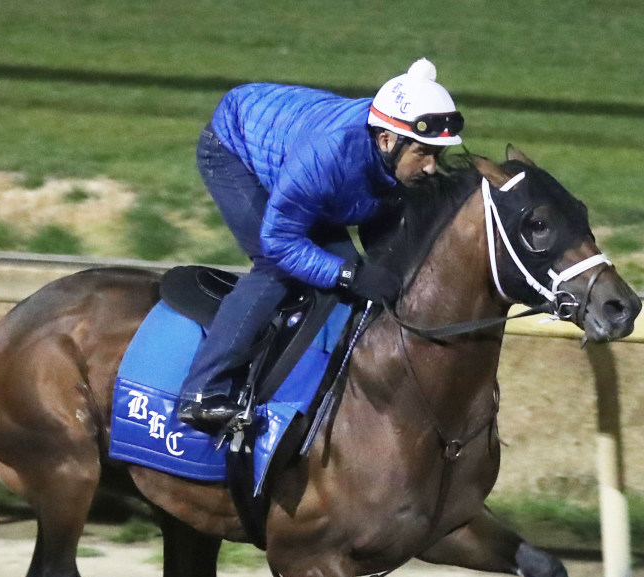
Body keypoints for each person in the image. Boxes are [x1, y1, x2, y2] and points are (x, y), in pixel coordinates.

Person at [176, 58, 465, 433]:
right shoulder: (328, 156)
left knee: (364, 273)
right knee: (277, 268)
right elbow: (280, 242)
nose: (430, 168)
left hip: (312, 167)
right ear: (387, 140)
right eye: (422, 154)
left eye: (436, 156)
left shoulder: (388, 153)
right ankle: (201, 391)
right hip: (234, 150)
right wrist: (347, 273)